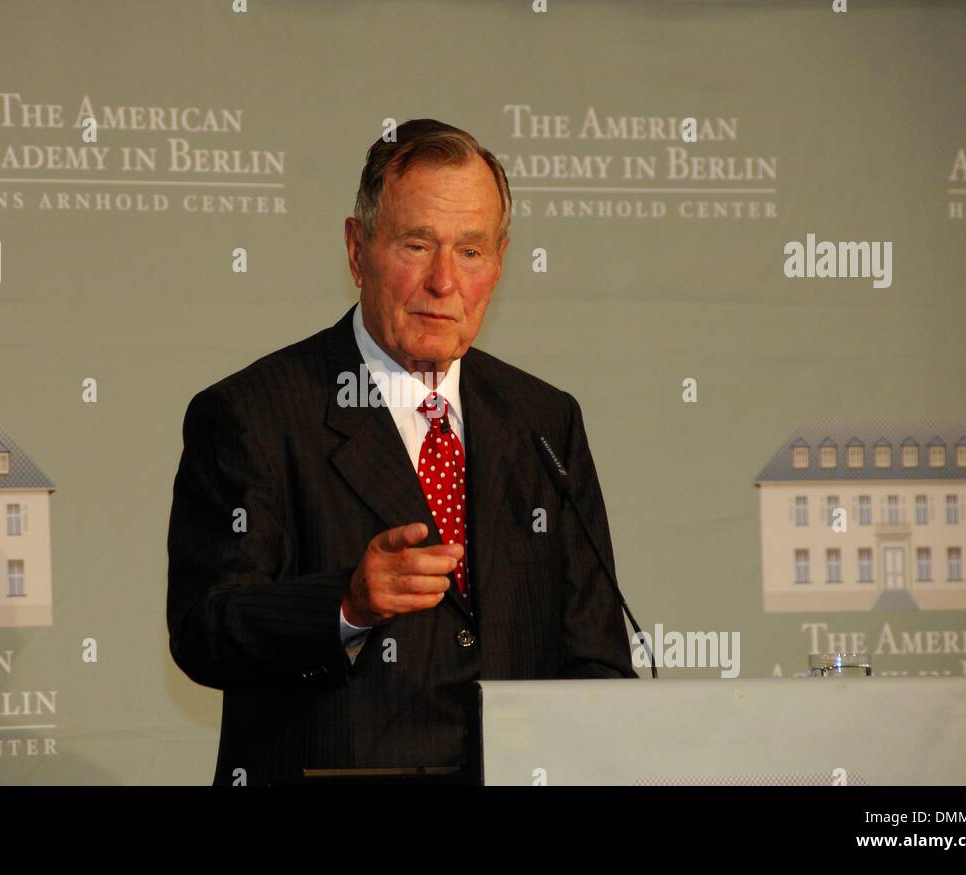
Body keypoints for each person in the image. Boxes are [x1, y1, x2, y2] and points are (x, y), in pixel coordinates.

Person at [167, 118, 637, 787]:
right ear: (358, 249)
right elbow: (205, 628)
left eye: (470, 252)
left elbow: (596, 658)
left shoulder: (543, 420)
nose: (444, 282)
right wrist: (347, 604)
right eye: (417, 244)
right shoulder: (255, 414)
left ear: (498, 265)